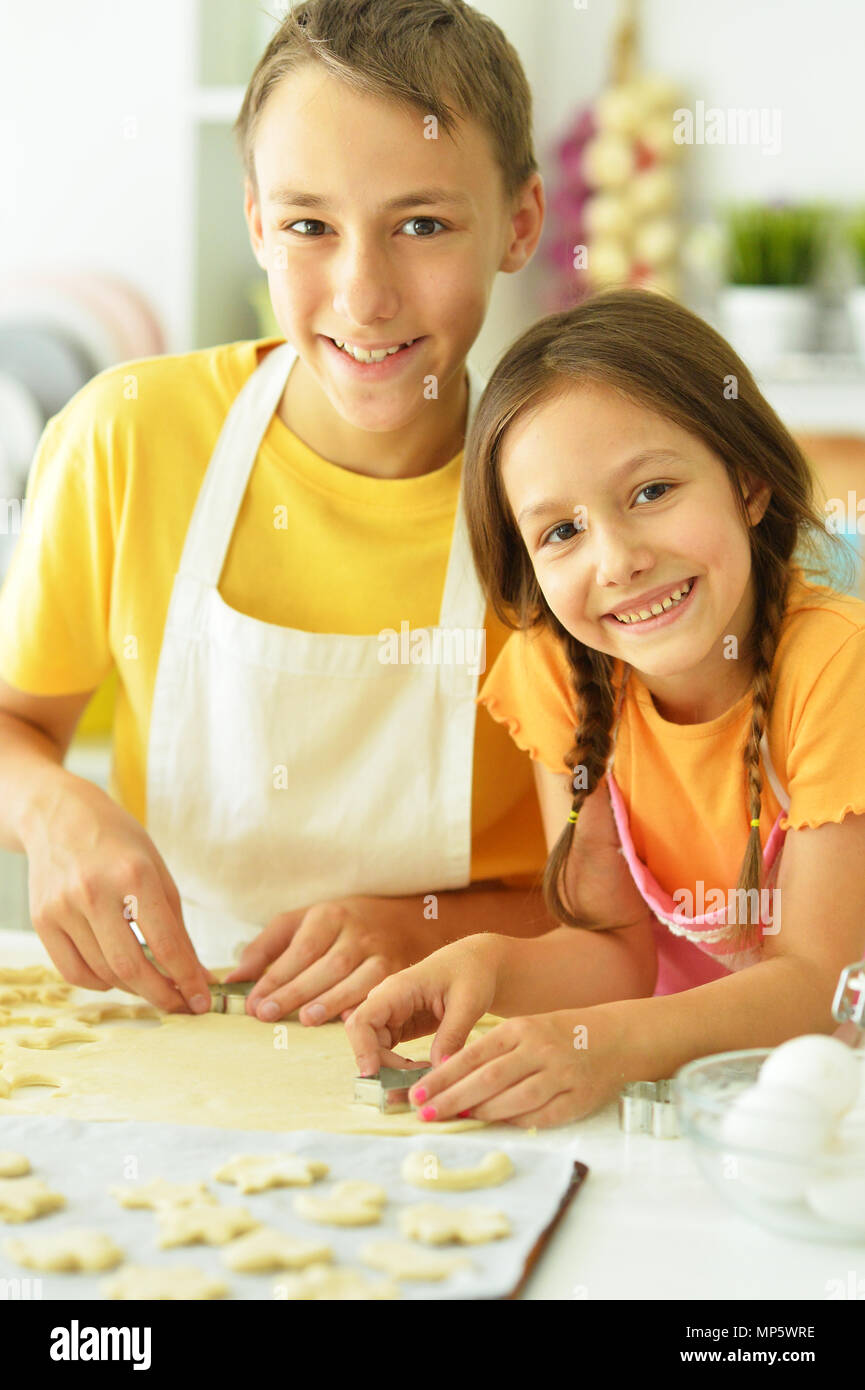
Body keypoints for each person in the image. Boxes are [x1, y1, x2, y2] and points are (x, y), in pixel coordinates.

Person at [0, 0, 553, 1021]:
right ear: (255, 221)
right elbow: (14, 731)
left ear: (520, 222)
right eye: (309, 226)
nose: (364, 295)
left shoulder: (564, 505)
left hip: (464, 1045)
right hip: (178, 1022)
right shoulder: (126, 436)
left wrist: (417, 926)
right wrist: (54, 809)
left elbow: (623, 905)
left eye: (421, 225)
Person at [345, 287, 865, 1128]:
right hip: (701, 1104)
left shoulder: (838, 665)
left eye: (652, 490)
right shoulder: (559, 671)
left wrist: (604, 1046)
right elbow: (612, 953)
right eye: (560, 533)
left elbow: (816, 987)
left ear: (749, 480)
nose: (617, 561)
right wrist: (487, 967)